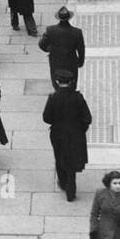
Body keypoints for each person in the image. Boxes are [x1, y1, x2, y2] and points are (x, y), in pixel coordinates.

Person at [42, 71, 91, 201]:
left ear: (57, 82)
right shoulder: (78, 98)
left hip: (58, 134)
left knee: (60, 157)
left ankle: (63, 182)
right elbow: (87, 118)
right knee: (72, 161)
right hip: (76, 134)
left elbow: (46, 118)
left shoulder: (53, 98)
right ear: (71, 82)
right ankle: (71, 189)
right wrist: (81, 129)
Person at [39, 7, 85, 84]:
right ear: (69, 18)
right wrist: (80, 62)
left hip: (56, 61)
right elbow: (81, 49)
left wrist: (50, 49)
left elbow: (41, 44)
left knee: (56, 81)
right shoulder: (77, 32)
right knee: (72, 82)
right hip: (71, 62)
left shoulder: (50, 30)